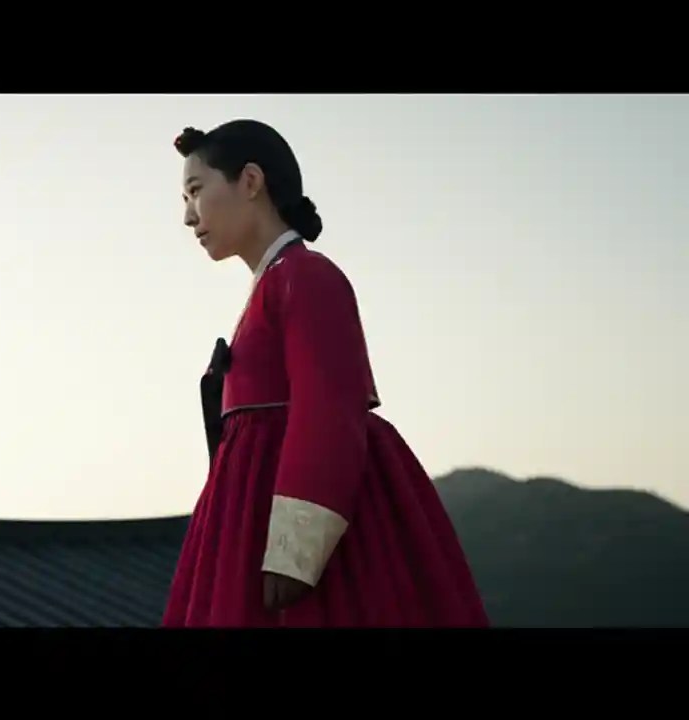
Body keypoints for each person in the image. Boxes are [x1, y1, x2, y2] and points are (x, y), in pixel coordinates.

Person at [162, 119, 489, 627]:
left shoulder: (307, 276)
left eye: (195, 191)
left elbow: (328, 408)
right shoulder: (273, 284)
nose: (188, 216)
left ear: (250, 182)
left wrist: (296, 550)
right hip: (254, 501)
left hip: (305, 512)